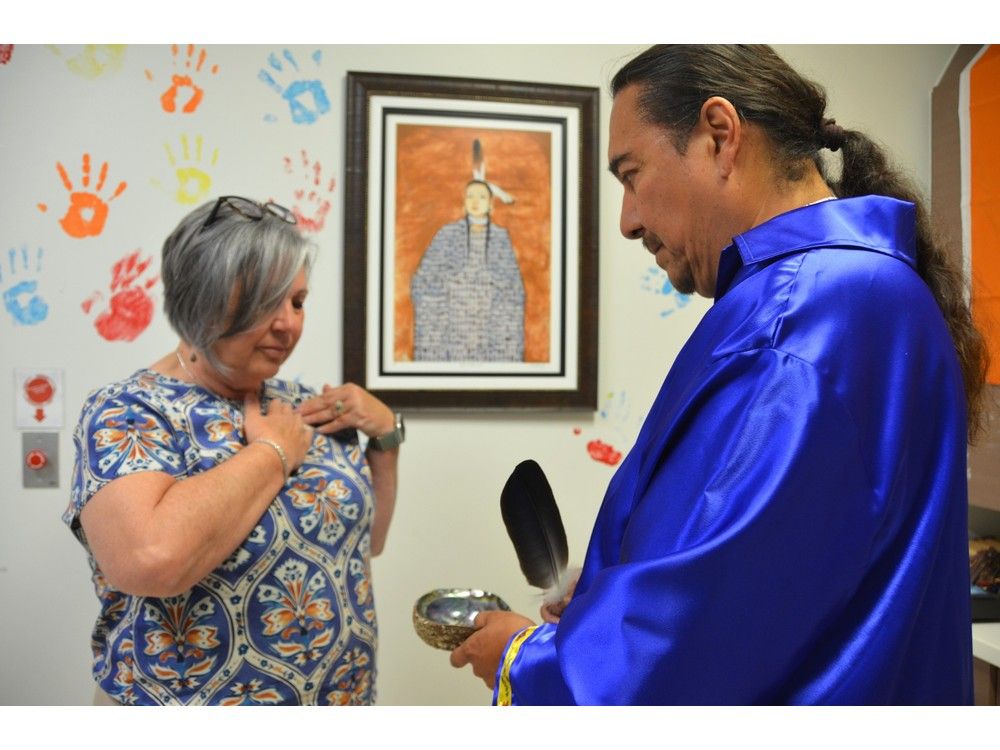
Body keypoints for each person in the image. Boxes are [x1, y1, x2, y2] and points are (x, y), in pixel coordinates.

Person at [450, 45, 989, 704]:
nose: (628, 221)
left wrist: (527, 659)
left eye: (632, 174)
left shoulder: (803, 317)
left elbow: (695, 640)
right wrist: (608, 605)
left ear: (720, 136)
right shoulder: (851, 293)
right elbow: (780, 576)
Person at [64, 195, 406, 705]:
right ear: (202, 298)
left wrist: (386, 440)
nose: (288, 324)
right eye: (268, 301)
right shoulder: (130, 412)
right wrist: (271, 452)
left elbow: (366, 542)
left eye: (297, 302)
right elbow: (150, 560)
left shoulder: (305, 405)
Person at [410, 179, 525, 361]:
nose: (475, 201)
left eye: (481, 196)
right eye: (470, 196)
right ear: (463, 201)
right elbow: (424, 279)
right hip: (453, 314)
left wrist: (491, 286)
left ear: (490, 204)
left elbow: (512, 286)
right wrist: (451, 284)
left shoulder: (500, 236)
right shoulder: (447, 233)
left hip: (488, 315)